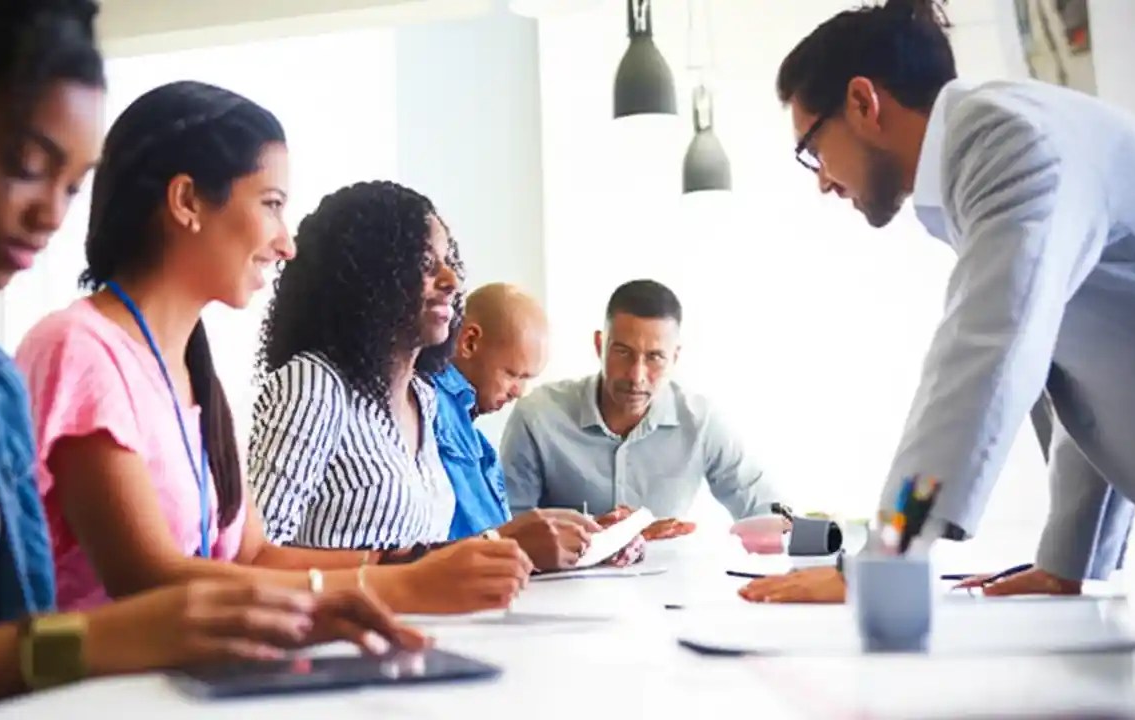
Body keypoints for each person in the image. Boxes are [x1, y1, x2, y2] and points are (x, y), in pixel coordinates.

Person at [0, 5, 416, 717]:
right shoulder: (68, 350)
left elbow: (5, 634)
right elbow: (77, 619)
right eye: (28, 167)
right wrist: (93, 642)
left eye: (71, 185)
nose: (51, 215)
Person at [13, 83, 507, 619]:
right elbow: (147, 574)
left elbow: (253, 554)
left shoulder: (189, 368)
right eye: (271, 205)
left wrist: (407, 567)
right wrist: (400, 589)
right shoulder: (78, 348)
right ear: (187, 202)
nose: (286, 244)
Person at [739, 0, 1135, 603]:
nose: (823, 179)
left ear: (862, 103)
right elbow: (1071, 367)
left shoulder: (1008, 144)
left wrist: (884, 557)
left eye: (812, 149)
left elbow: (983, 356)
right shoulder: (1002, 139)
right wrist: (1064, 561)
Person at [250, 180, 533, 610]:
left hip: (419, 636)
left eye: (449, 261)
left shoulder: (424, 397)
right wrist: (397, 570)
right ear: (369, 276)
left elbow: (426, 560)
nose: (452, 280)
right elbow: (253, 558)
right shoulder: (313, 385)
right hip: (334, 645)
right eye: (424, 263)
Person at [501, 279, 784, 536]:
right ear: (600, 346)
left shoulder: (701, 421)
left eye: (655, 357)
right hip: (561, 587)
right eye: (623, 352)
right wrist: (621, 537)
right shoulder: (537, 416)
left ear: (675, 357)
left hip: (669, 589)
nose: (636, 375)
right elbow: (507, 532)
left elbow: (767, 512)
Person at [433, 282, 600, 569]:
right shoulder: (428, 410)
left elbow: (499, 540)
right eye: (513, 374)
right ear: (470, 341)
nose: (519, 392)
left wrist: (587, 535)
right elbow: (475, 551)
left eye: (527, 378)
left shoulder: (476, 441)